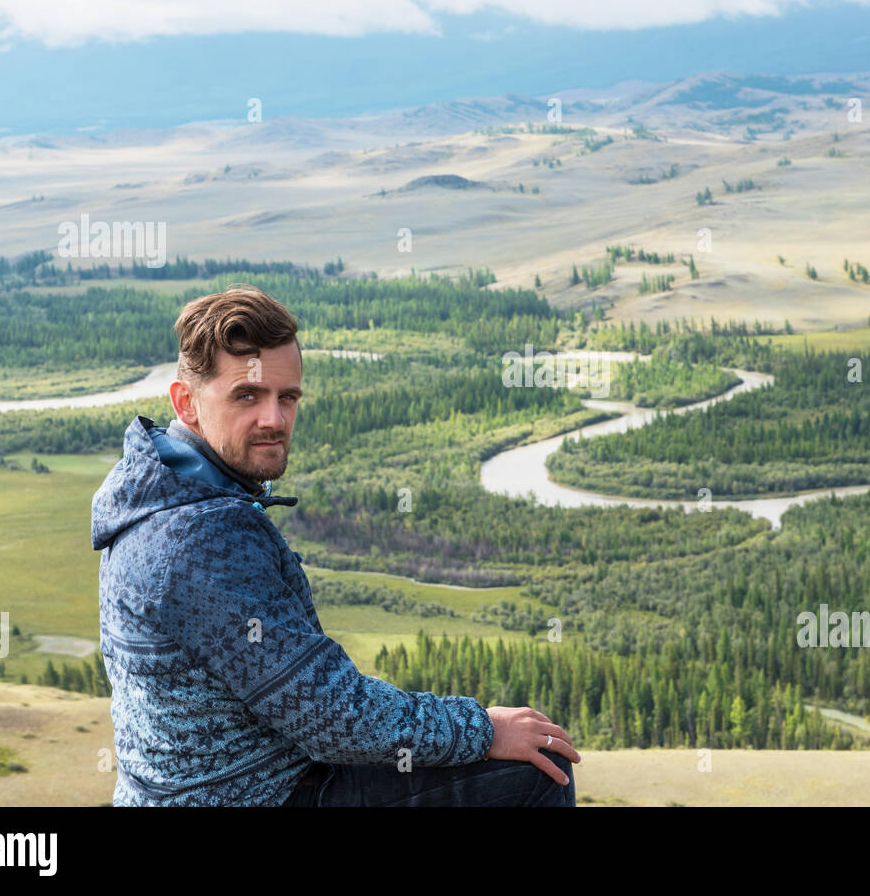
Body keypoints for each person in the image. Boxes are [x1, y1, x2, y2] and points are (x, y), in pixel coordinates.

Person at [91, 284, 579, 806]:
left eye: (288, 397)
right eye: (247, 396)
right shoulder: (198, 536)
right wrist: (482, 728)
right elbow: (330, 716)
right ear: (186, 404)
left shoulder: (159, 490)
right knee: (539, 775)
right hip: (256, 796)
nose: (274, 420)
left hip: (224, 786)